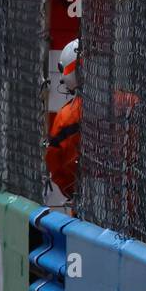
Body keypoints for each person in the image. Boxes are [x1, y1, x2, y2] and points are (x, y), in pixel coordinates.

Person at [46, 38, 82, 203]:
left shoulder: (67, 117)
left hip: (84, 202)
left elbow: (57, 165)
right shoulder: (127, 102)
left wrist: (72, 193)